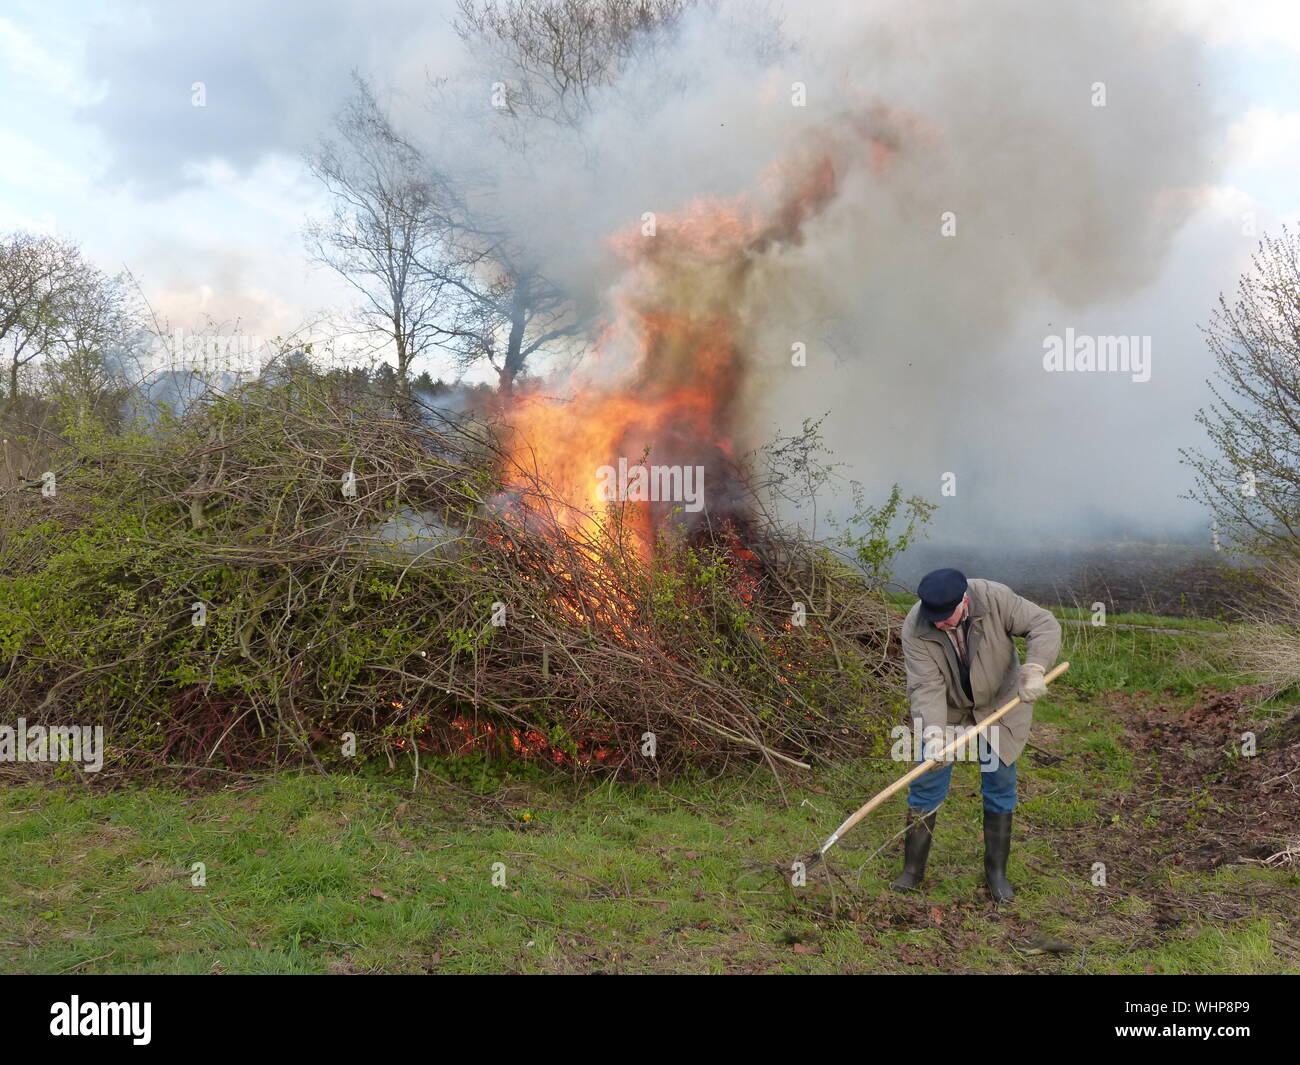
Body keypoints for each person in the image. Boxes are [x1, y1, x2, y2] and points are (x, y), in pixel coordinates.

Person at [891, 568, 1062, 901]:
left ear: (964, 601)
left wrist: (1036, 667)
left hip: (1002, 703)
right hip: (949, 709)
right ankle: (912, 870)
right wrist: (934, 736)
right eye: (933, 617)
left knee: (999, 782)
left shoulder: (995, 598)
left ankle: (996, 874)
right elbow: (926, 686)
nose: (939, 623)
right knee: (926, 778)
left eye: (946, 616)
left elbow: (1044, 624)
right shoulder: (916, 626)